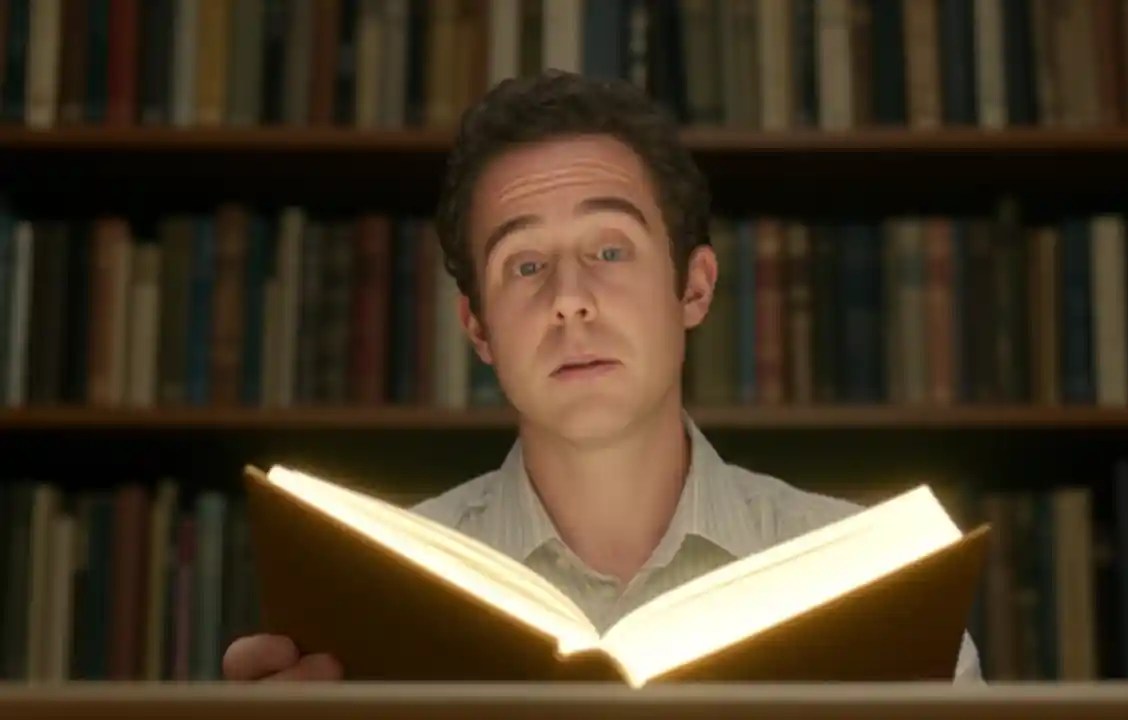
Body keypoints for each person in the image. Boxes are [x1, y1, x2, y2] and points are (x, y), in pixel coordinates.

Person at [222, 70, 984, 683]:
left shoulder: (878, 585)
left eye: (610, 251)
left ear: (694, 289)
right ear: (479, 328)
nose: (569, 300)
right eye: (525, 265)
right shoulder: (371, 594)